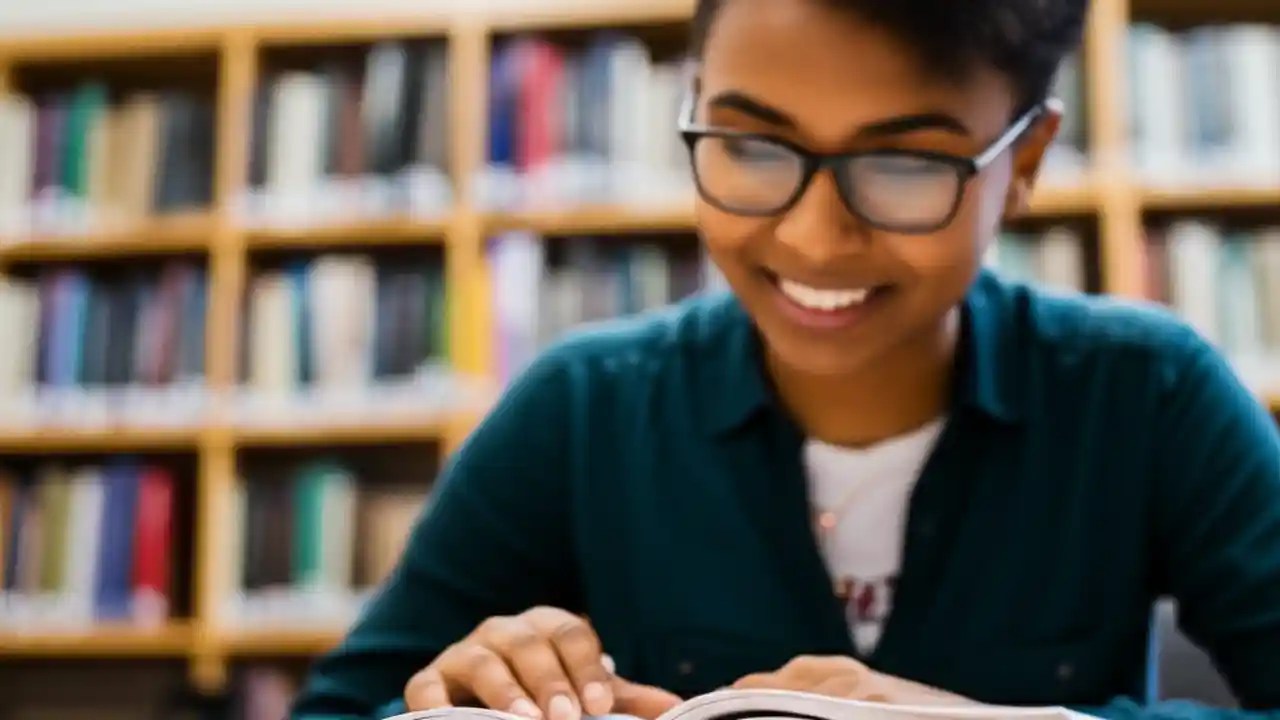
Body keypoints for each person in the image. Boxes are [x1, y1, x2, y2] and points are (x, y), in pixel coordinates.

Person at [290, 0, 1280, 718]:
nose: (811, 238)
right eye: (751, 145)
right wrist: (449, 703)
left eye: (902, 166)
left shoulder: (1149, 394)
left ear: (1019, 166)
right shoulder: (581, 408)